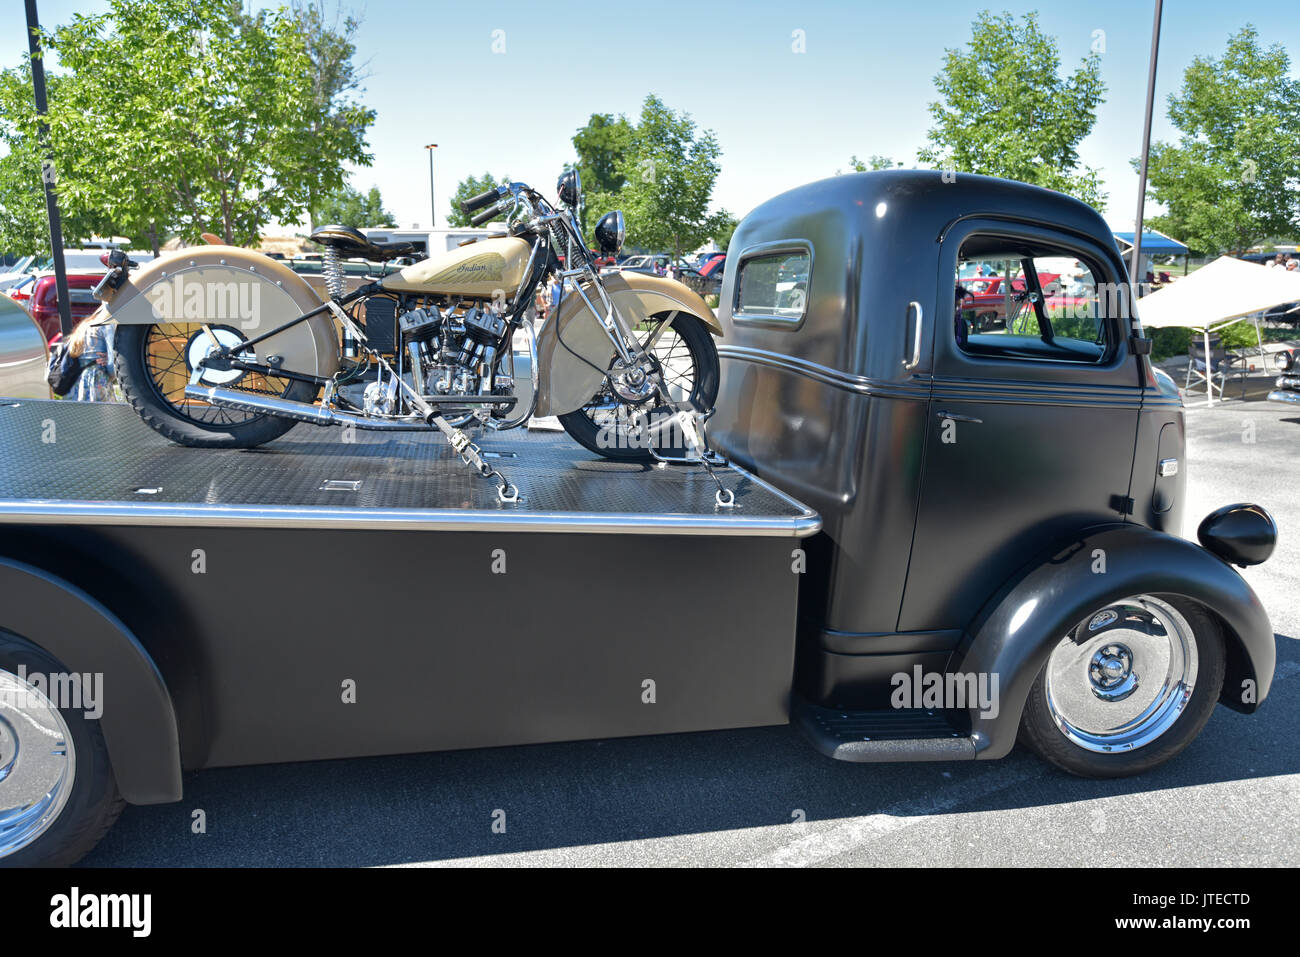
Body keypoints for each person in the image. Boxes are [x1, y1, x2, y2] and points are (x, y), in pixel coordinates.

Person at [65, 316, 115, 402]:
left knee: (80, 413)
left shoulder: (84, 326)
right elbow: (112, 366)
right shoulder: (107, 325)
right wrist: (112, 375)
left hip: (77, 381)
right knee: (105, 414)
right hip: (97, 378)